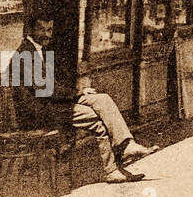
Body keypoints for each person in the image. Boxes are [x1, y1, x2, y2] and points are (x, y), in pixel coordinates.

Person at [14, 16, 158, 183]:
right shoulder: (25, 53)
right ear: (31, 31)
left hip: (49, 104)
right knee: (96, 118)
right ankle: (113, 168)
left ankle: (127, 145)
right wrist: (78, 93)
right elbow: (45, 89)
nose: (48, 34)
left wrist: (80, 93)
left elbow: (51, 87)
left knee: (102, 99)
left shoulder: (39, 50)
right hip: (38, 112)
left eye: (50, 30)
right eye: (42, 30)